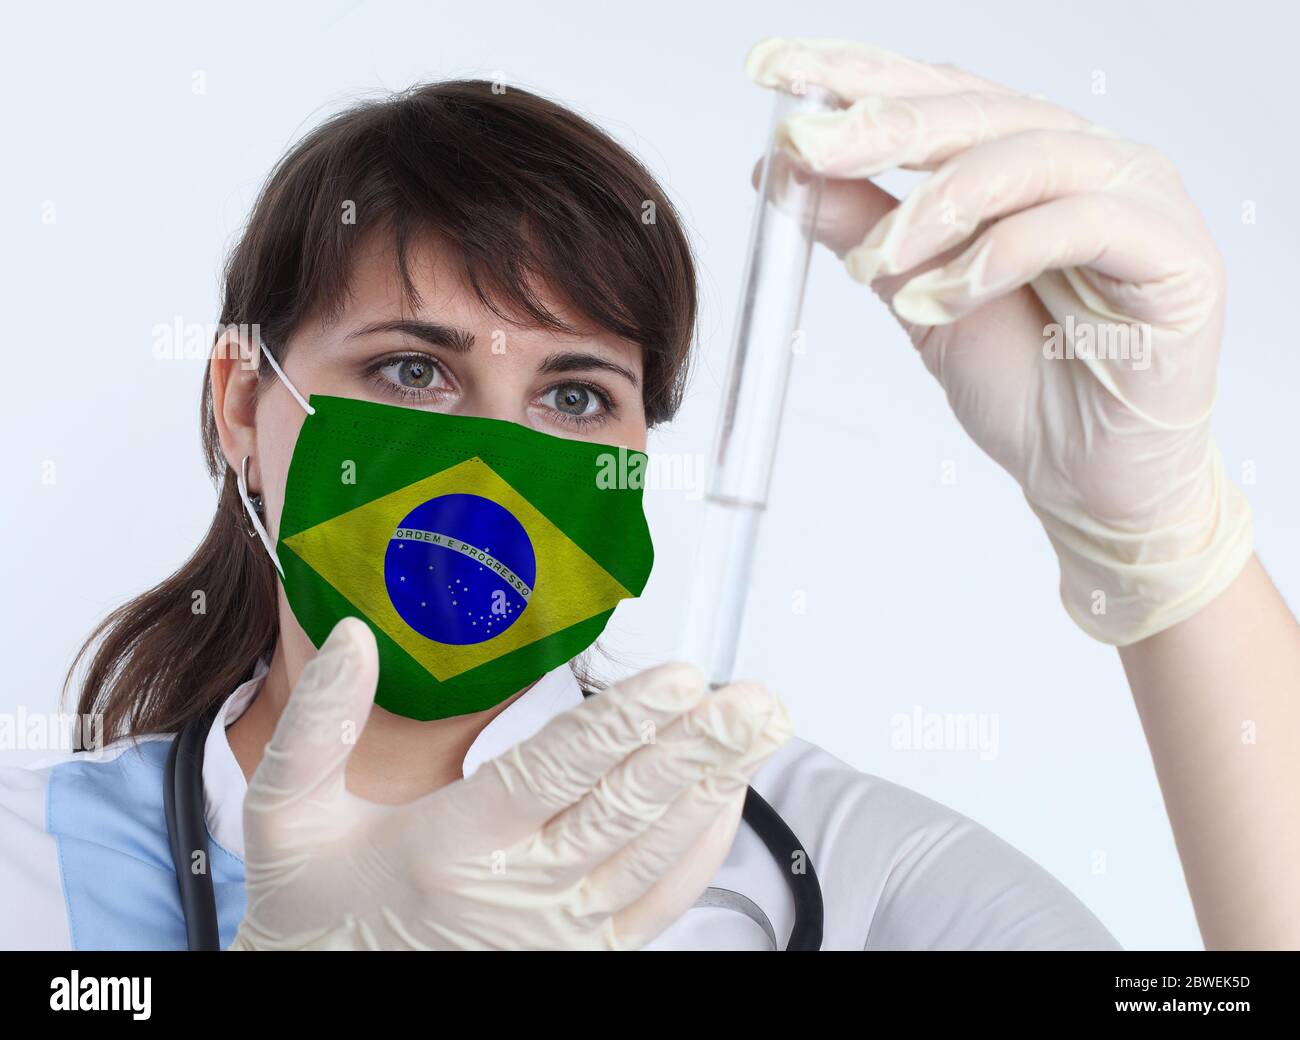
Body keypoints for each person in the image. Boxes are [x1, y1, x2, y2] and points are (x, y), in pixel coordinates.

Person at [0, 36, 1294, 951]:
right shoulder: (28, 864)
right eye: (411, 367)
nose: (490, 459)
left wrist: (1165, 545)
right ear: (241, 402)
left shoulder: (825, 860)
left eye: (572, 396)